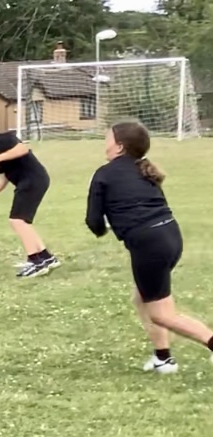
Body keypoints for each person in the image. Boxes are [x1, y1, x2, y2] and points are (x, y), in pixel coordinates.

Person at [86, 120, 213, 374]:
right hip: (171, 235)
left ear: (119, 146)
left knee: (160, 313)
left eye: (108, 137)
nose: (105, 141)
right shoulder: (145, 169)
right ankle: (163, 358)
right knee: (143, 297)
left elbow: (94, 223)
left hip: (148, 245)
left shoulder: (104, 174)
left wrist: (109, 225)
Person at [0, 114, 59, 277]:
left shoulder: (4, 139)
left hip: (32, 180)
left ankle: (36, 262)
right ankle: (46, 258)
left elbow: (23, 148)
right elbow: (3, 178)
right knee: (22, 221)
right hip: (32, 181)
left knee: (17, 220)